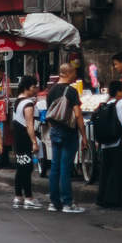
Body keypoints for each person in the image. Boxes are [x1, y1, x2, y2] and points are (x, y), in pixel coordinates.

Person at [45, 62, 87, 213]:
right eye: (74, 73)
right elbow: (77, 114)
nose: (75, 75)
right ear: (68, 73)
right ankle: (67, 203)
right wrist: (84, 136)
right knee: (65, 168)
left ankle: (54, 203)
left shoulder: (51, 91)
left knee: (55, 167)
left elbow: (49, 114)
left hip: (55, 131)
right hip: (69, 132)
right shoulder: (71, 91)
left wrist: (53, 130)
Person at [92, 80, 122, 209]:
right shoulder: (121, 105)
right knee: (117, 172)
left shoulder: (104, 105)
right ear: (118, 92)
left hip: (105, 143)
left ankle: (101, 198)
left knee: (105, 172)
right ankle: (113, 200)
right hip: (118, 143)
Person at [10, 76, 41, 209]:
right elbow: (30, 125)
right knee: (27, 168)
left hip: (18, 138)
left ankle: (18, 197)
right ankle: (28, 198)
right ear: (27, 87)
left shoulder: (17, 101)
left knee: (21, 168)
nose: (36, 89)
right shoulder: (28, 104)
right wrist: (34, 142)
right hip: (25, 138)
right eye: (34, 86)